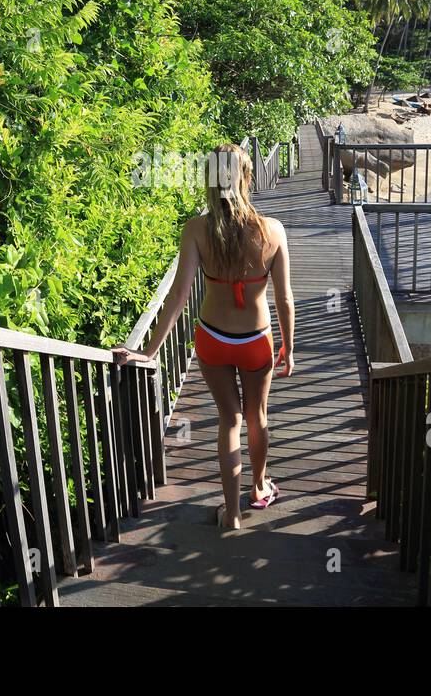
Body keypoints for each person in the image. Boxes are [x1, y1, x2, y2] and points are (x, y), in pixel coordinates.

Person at [113, 143, 295, 530]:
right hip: (255, 340)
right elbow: (284, 299)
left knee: (228, 420)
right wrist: (289, 348)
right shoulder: (272, 231)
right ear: (247, 177)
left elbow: (179, 296)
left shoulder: (196, 229)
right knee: (256, 416)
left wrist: (149, 352)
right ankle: (260, 488)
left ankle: (230, 515)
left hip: (212, 338)